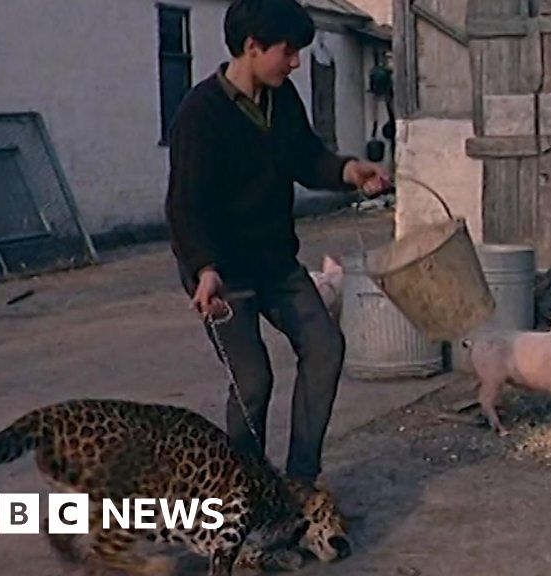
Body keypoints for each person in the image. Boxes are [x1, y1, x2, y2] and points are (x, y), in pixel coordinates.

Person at [164, 0, 389, 486]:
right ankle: (243, 491)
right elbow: (184, 207)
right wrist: (204, 267)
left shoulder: (282, 100)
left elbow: (306, 157)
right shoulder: (199, 115)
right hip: (222, 274)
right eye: (288, 52)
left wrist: (349, 170)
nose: (295, 63)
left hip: (275, 264)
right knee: (253, 382)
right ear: (252, 46)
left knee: (326, 348)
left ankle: (300, 481)